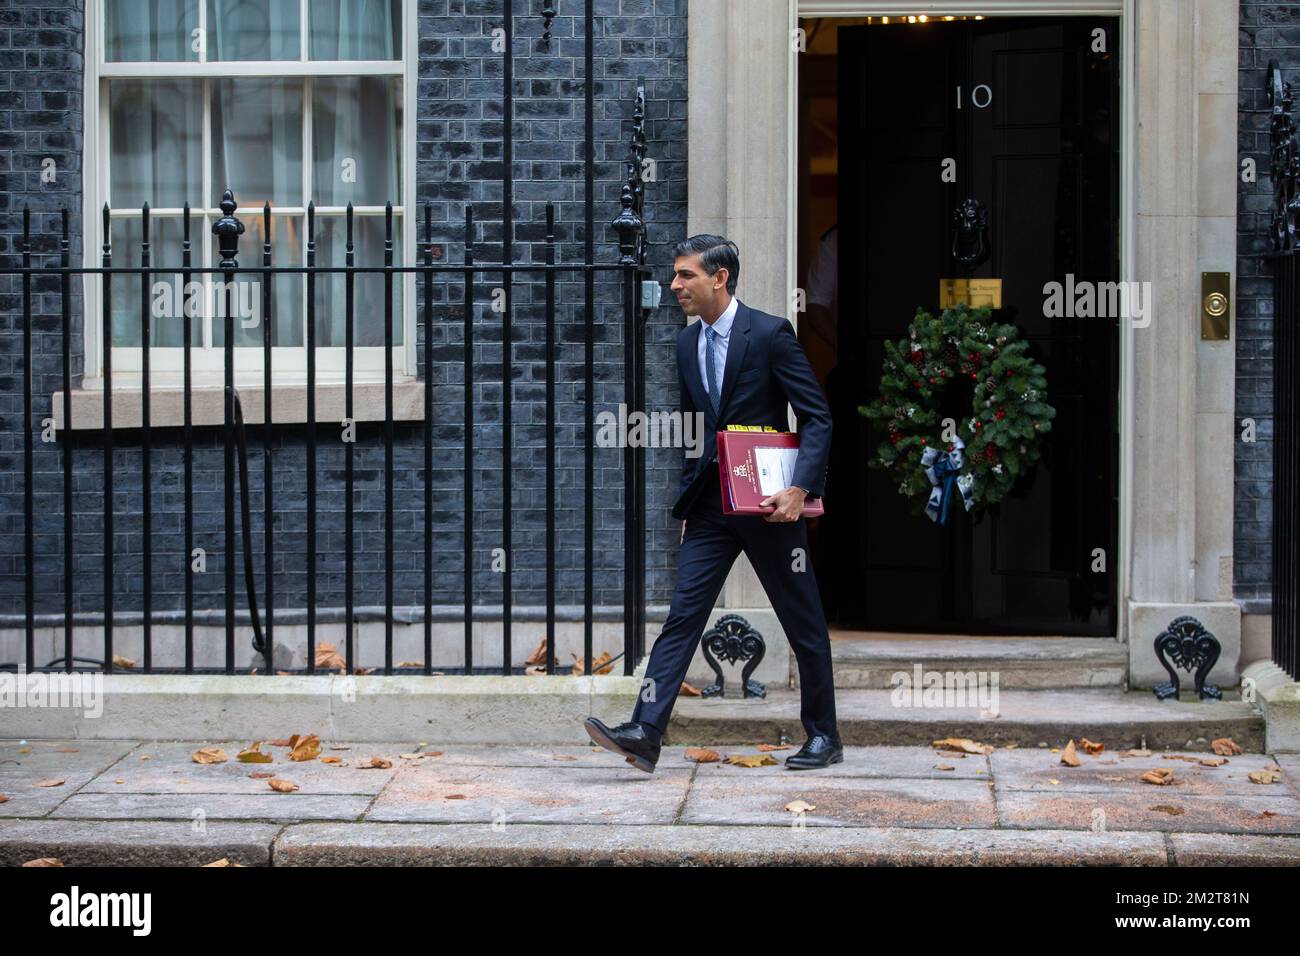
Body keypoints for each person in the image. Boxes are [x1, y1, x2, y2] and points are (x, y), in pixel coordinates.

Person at [584, 234, 841, 772]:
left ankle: (824, 736)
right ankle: (645, 731)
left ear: (719, 278)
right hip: (710, 508)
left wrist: (801, 488)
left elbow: (816, 415)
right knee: (683, 617)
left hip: (771, 505)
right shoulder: (686, 343)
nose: (675, 285)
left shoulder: (771, 334)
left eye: (685, 275)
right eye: (676, 276)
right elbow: (694, 432)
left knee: (803, 621)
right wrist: (687, 503)